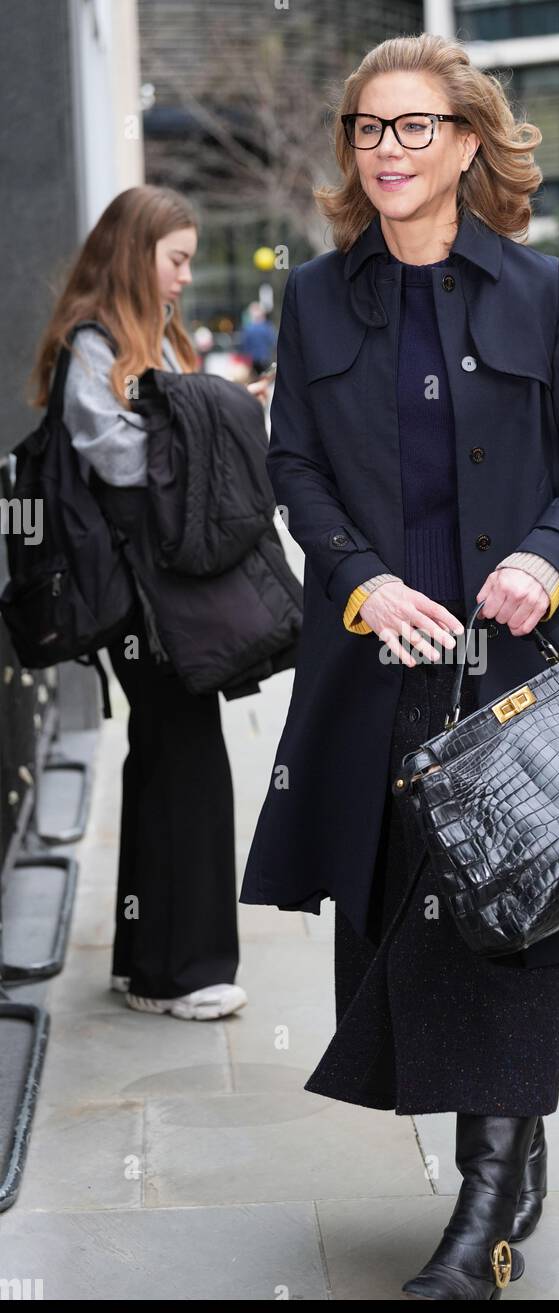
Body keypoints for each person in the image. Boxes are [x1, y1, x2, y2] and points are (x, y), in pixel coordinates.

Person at [240, 34, 559, 1299]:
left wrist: (549, 558)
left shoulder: (540, 290)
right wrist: (358, 577)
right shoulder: (317, 296)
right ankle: (513, 1146)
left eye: (412, 127)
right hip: (383, 672)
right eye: (366, 128)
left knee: (515, 924)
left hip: (527, 667)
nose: (385, 150)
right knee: (417, 924)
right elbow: (294, 466)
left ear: (464, 142)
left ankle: (486, 1214)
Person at [29, 186, 272, 1021]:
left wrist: (224, 408)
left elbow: (167, 442)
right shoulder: (91, 344)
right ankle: (185, 972)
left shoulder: (144, 341)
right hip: (138, 599)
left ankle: (150, 965)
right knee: (187, 758)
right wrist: (224, 413)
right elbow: (128, 462)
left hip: (154, 592)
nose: (184, 277)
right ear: (137, 255)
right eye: (176, 260)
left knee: (169, 755)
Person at [240, 302, 278, 377]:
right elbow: (274, 343)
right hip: (265, 359)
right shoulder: (268, 327)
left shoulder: (248, 329)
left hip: (252, 361)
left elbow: (244, 346)